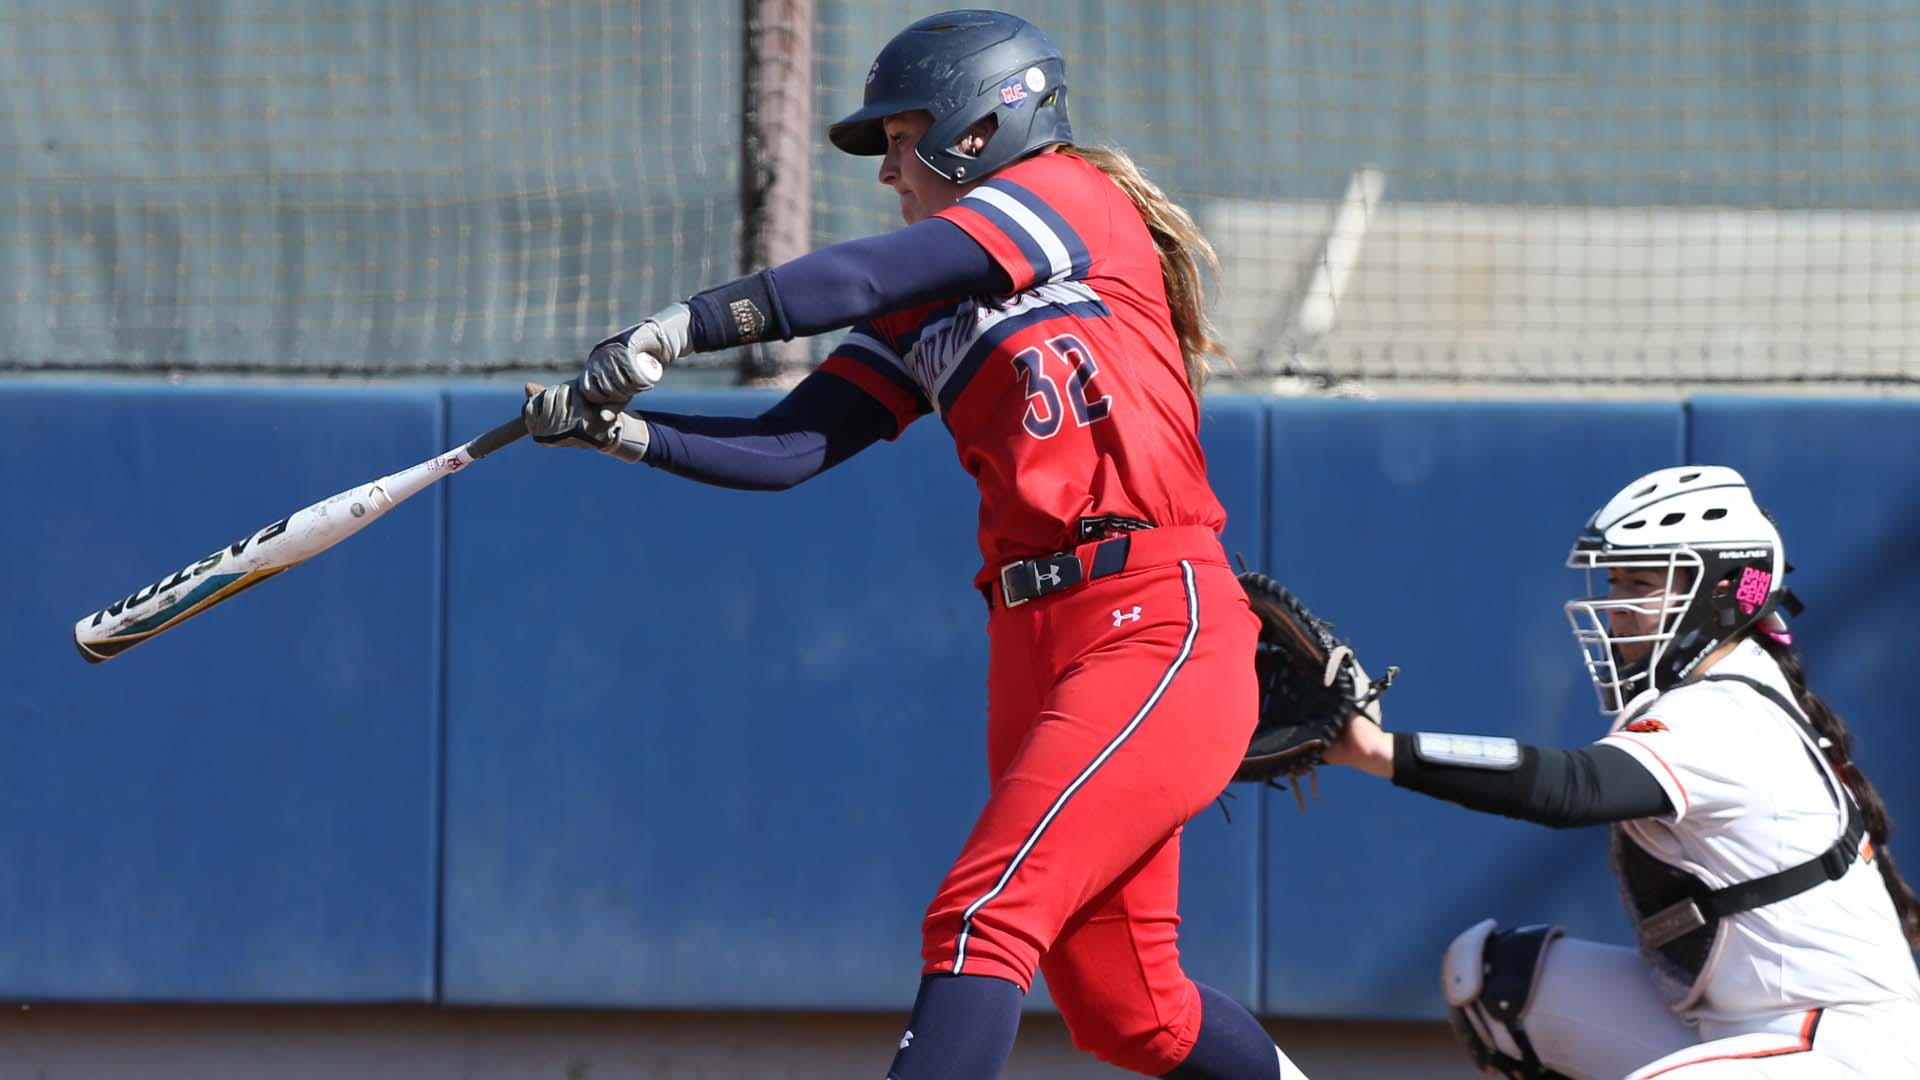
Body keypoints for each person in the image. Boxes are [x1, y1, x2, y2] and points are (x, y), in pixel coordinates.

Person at [520, 10, 1309, 1080]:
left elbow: (859, 278)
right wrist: (625, 435)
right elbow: (792, 447)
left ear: (980, 127)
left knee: (982, 915)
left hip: (1149, 613)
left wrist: (683, 324)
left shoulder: (1072, 200)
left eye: (901, 139)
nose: (890, 172)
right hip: (1033, 639)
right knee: (1131, 1013)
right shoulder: (931, 297)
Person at [1325, 465, 1920, 1079]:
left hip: (1841, 1048)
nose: (1617, 607)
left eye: (1641, 583)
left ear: (1723, 592)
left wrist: (1377, 750)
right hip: (1737, 1020)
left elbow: (1570, 789)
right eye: (1616, 582)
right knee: (1497, 984)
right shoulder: (1725, 681)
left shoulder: (1722, 712)